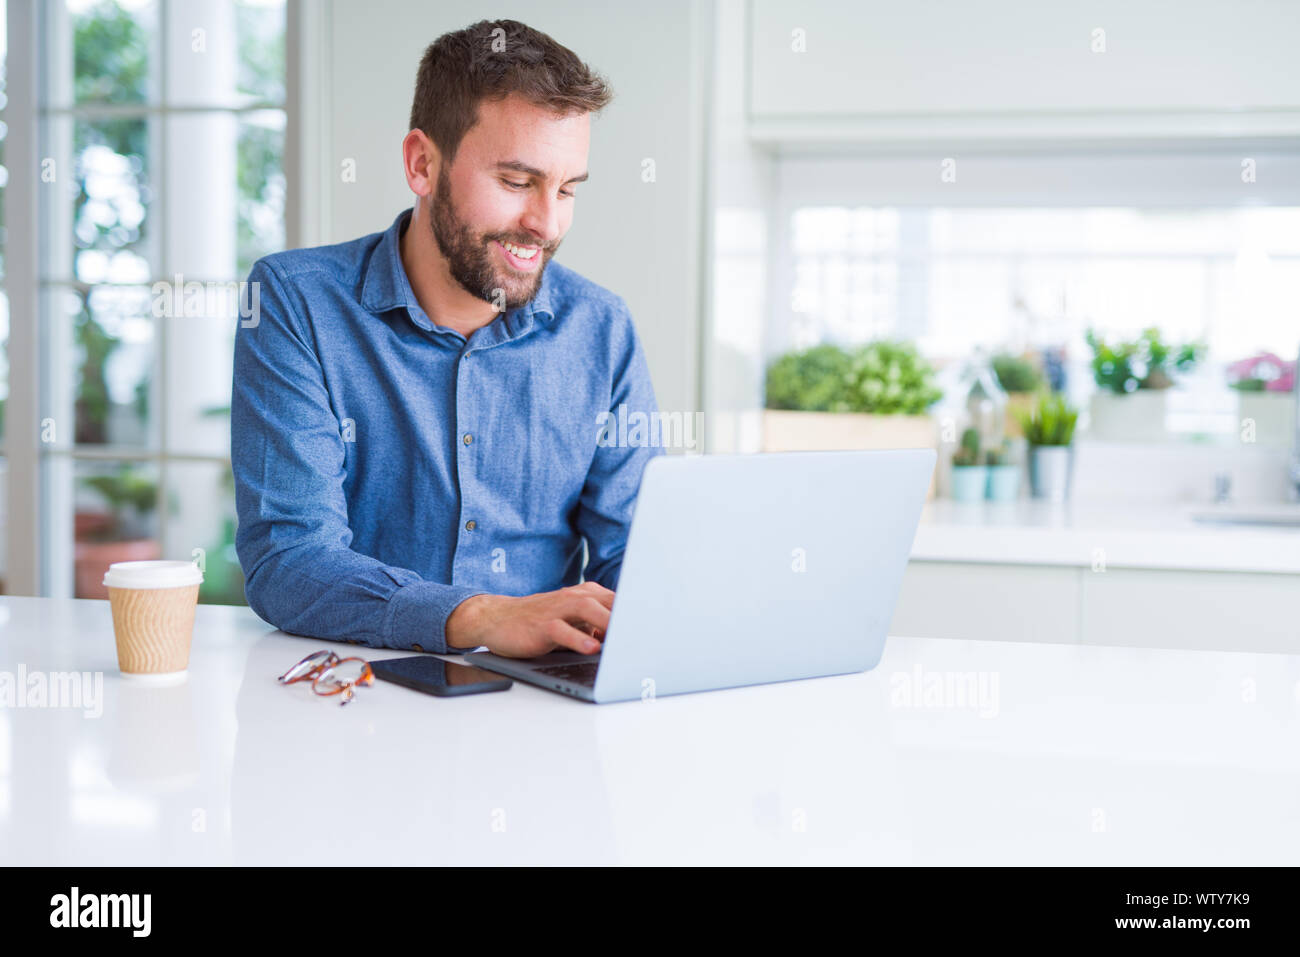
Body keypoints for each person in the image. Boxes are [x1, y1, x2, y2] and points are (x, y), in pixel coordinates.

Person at [231, 19, 662, 660]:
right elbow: (289, 560)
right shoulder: (295, 302)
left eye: (567, 188)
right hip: (358, 699)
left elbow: (636, 551)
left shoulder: (602, 329)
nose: (545, 222)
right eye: (517, 182)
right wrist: (481, 617)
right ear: (422, 163)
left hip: (542, 708)